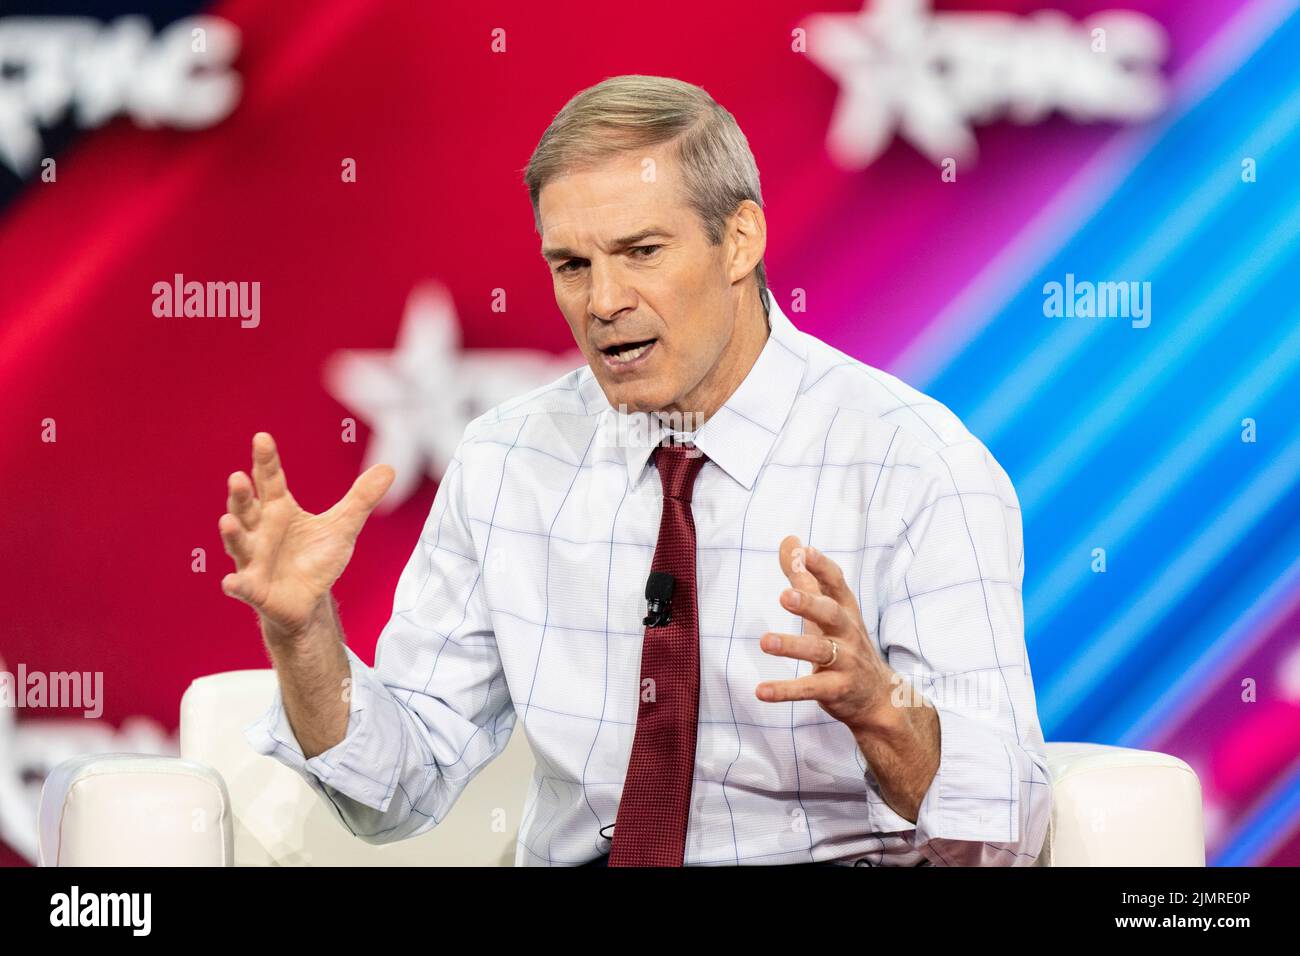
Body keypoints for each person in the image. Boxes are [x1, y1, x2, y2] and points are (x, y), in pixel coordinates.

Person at [222, 74, 1051, 867]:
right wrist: (305, 638)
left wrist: (882, 710)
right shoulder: (508, 461)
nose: (603, 300)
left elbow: (1005, 831)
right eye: (572, 265)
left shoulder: (912, 462)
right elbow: (395, 790)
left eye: (641, 251)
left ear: (740, 240)